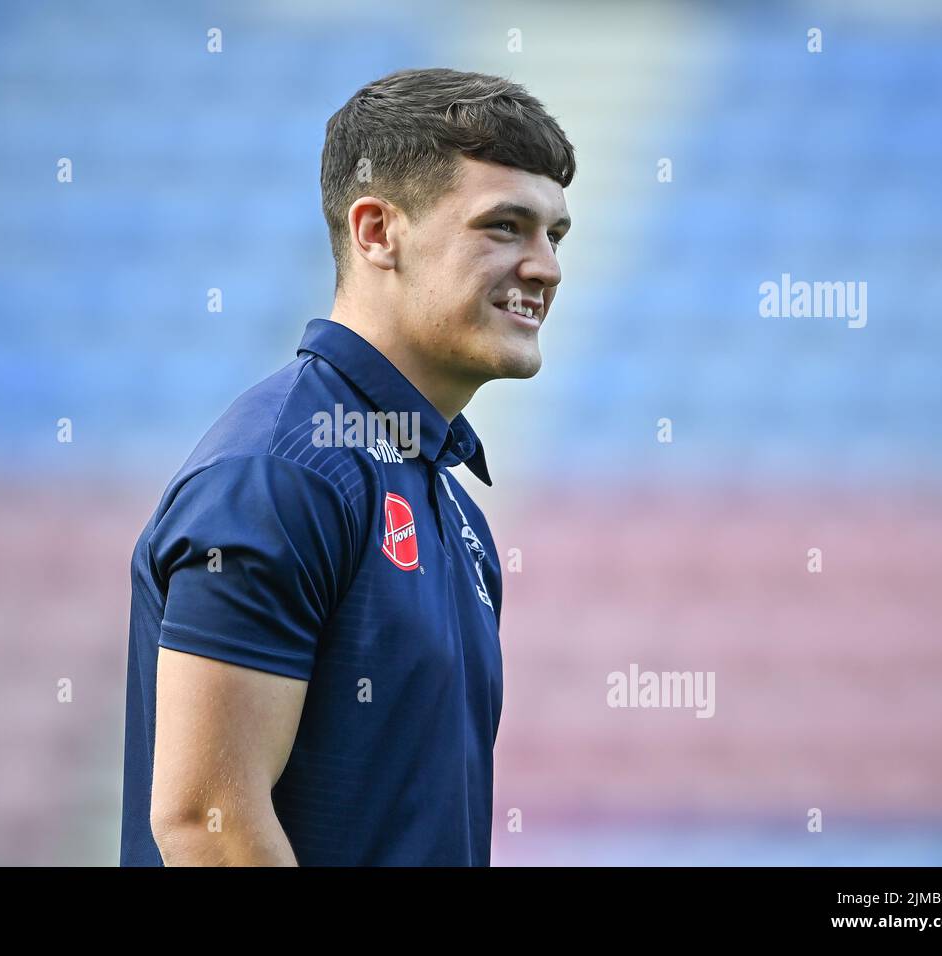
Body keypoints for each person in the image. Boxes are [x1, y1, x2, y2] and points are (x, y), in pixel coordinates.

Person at [120, 66, 575, 865]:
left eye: (553, 235)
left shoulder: (450, 505)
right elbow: (205, 821)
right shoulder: (280, 474)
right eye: (504, 226)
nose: (546, 267)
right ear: (376, 232)